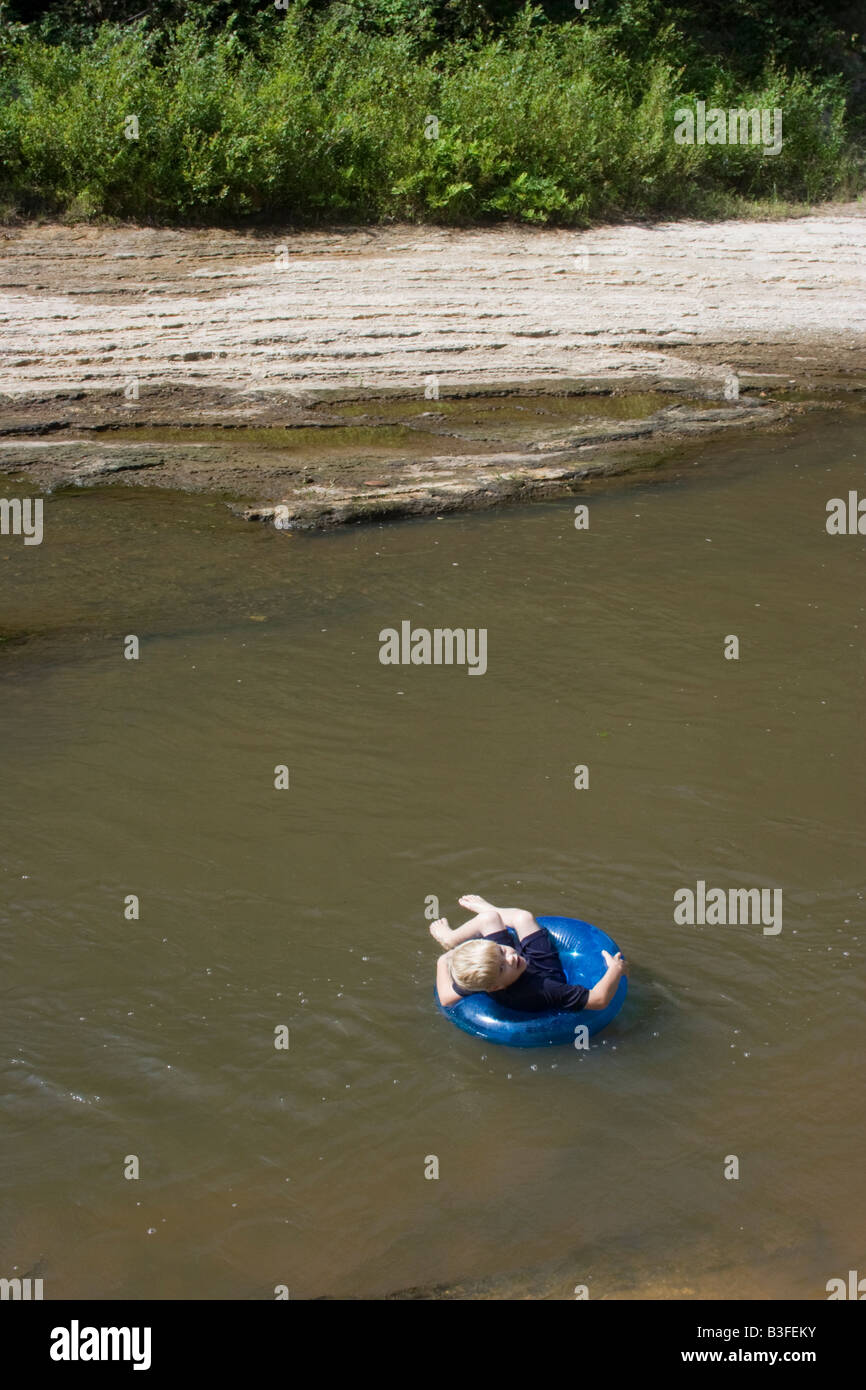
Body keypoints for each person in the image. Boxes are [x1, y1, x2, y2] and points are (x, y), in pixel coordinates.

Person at [432, 894, 627, 1012]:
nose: (511, 956)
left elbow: (446, 998)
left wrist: (443, 960)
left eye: (500, 950)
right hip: (543, 970)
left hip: (514, 974)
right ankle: (496, 916)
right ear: (493, 988)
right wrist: (615, 970)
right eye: (501, 966)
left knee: (489, 918)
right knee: (523, 917)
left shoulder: (490, 976)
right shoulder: (543, 989)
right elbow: (599, 1000)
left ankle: (451, 938)